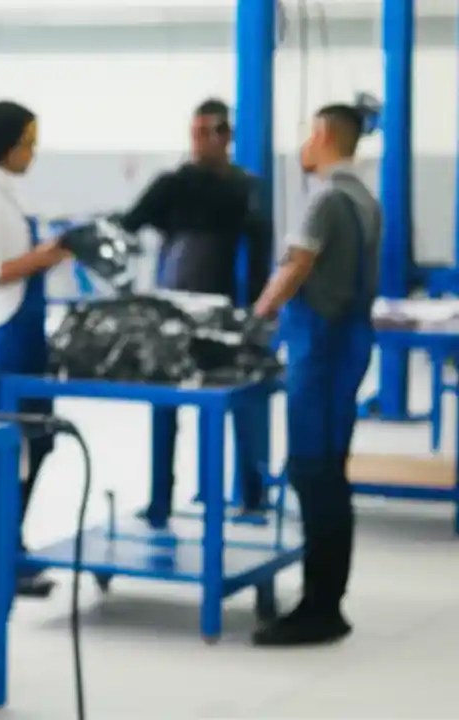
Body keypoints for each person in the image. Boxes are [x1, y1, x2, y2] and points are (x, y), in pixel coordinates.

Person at [250, 104, 379, 646]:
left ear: (323, 134)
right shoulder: (367, 200)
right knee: (329, 472)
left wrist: (251, 321)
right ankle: (327, 598)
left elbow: (295, 265)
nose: (303, 146)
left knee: (313, 473)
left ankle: (319, 608)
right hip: (344, 348)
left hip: (320, 354)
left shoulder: (325, 198)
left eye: (307, 133)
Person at [116, 98, 274, 523]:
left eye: (210, 133)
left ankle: (253, 495)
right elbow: (128, 223)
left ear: (227, 137)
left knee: (238, 404)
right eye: (196, 133)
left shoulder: (246, 190)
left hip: (225, 315)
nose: (201, 142)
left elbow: (260, 255)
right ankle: (160, 501)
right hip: (171, 314)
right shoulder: (172, 184)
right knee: (164, 406)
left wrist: (259, 314)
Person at [0, 100, 73, 598]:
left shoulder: (3, 196)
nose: (33, 153)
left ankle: (14, 547)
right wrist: (47, 255)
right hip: (2, 334)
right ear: (5, 144)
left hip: (24, 331)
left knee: (38, 440)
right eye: (27, 143)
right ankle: (4, 558)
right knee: (13, 448)